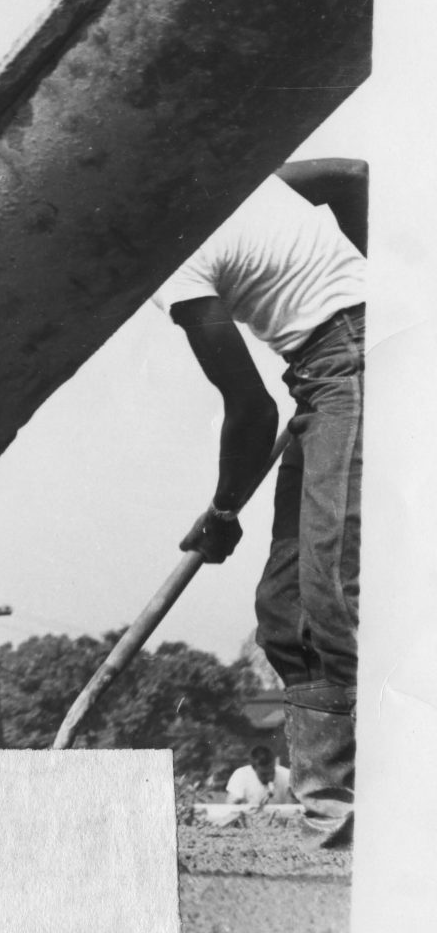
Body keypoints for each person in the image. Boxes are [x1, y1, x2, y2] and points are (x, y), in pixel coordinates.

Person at [155, 159, 366, 849]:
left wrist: (222, 514)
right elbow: (350, 176)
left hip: (356, 358)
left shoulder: (172, 259)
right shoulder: (234, 179)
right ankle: (335, 817)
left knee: (337, 596)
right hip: (321, 375)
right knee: (288, 612)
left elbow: (249, 409)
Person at [225, 742, 294, 809]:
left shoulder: (287, 776)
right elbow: (230, 806)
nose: (269, 777)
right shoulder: (241, 776)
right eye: (264, 774)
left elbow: (292, 808)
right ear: (253, 768)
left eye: (272, 772)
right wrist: (237, 803)